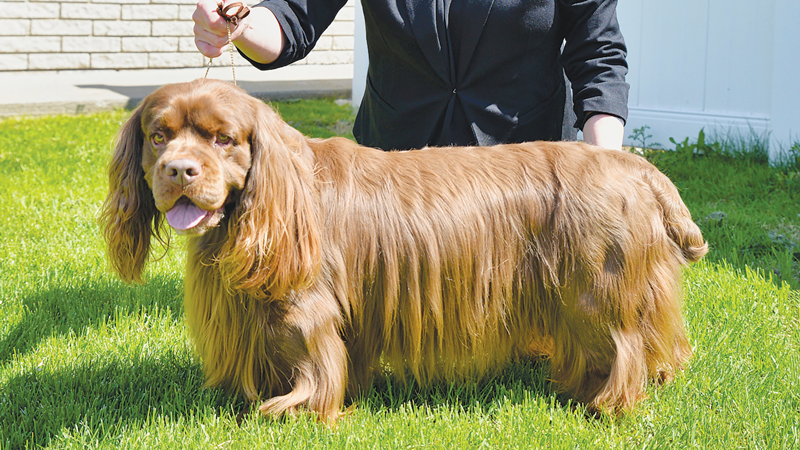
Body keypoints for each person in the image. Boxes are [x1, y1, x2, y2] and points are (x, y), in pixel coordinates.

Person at [193, 0, 628, 151]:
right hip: (396, 187)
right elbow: (293, 17)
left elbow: (598, 52)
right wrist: (241, 25)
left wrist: (605, 164)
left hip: (521, 184)